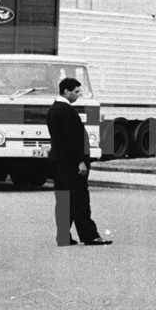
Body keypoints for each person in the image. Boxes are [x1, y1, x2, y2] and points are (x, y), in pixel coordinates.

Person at [49, 77, 111, 246]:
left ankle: (63, 236)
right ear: (66, 91)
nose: (78, 95)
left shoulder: (53, 109)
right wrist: (81, 161)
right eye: (76, 92)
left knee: (63, 200)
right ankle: (90, 235)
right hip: (72, 164)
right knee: (80, 200)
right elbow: (73, 141)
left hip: (59, 162)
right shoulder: (67, 111)